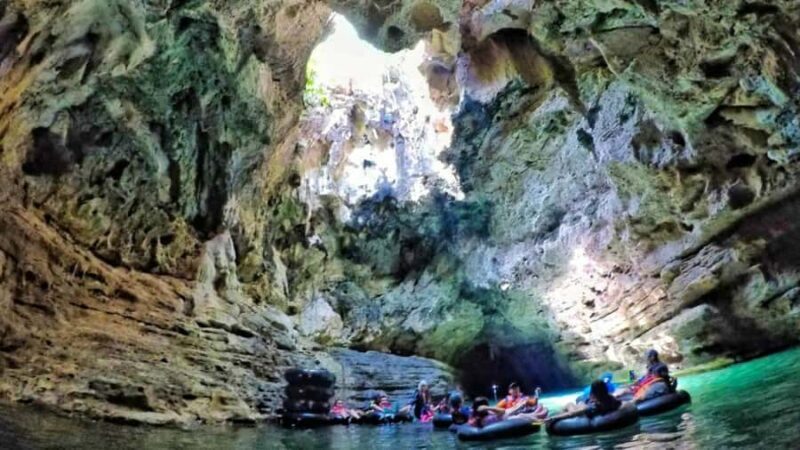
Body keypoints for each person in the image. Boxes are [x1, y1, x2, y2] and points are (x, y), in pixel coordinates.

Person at [546, 380, 621, 423]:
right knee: (581, 402)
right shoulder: (612, 399)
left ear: (593, 393)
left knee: (570, 404)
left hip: (582, 411)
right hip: (587, 404)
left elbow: (571, 414)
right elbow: (621, 403)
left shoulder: (593, 407)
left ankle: (560, 412)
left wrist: (553, 418)